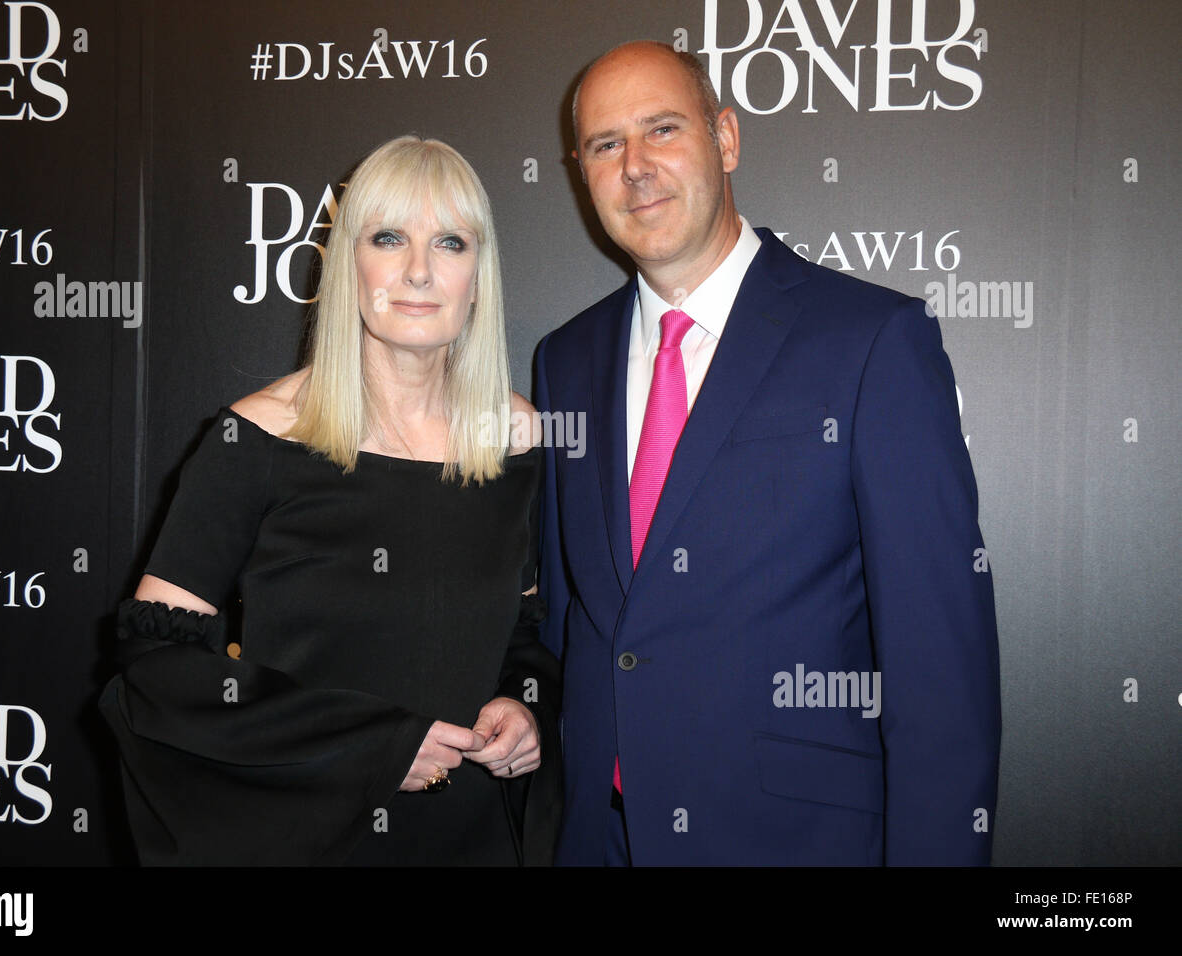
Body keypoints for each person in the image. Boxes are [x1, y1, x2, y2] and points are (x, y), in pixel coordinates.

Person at [534, 41, 1001, 865]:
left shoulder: (871, 341)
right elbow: (574, 624)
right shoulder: (564, 360)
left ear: (726, 139)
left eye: (662, 129)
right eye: (606, 145)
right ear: (581, 173)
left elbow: (940, 682)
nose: (635, 166)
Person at [100, 135, 560, 865]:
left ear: (480, 273)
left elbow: (520, 641)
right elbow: (159, 669)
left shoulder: (515, 438)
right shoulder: (257, 437)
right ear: (347, 263)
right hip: (308, 839)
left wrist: (521, 706)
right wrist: (365, 748)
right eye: (388, 238)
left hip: (470, 842)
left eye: (449, 241)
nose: (418, 271)